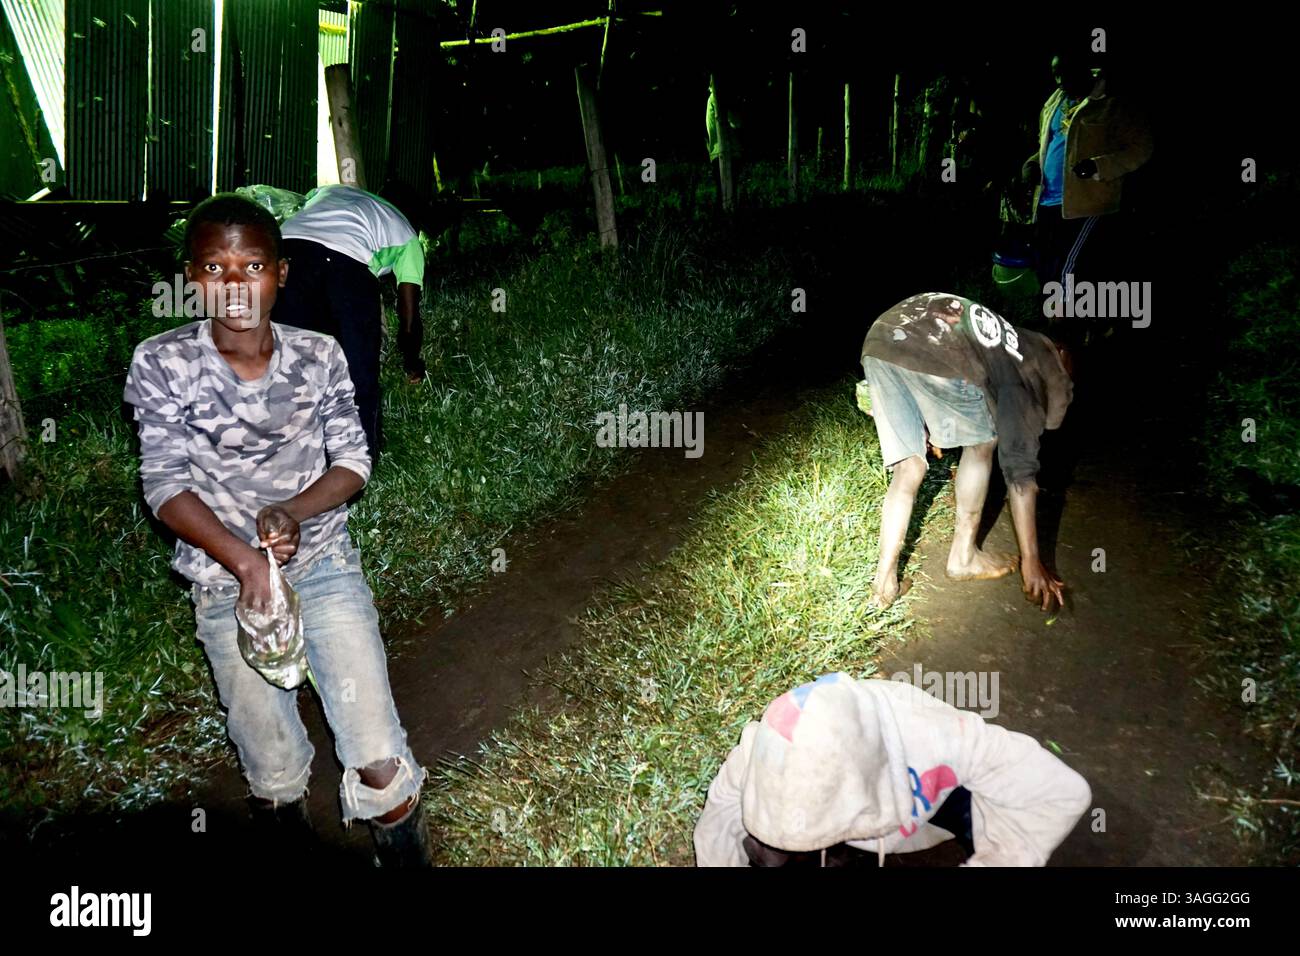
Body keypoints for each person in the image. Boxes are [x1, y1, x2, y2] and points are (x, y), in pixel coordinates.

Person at [122, 194, 434, 867]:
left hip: (321, 566)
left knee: (378, 751)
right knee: (271, 769)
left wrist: (292, 512)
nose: (236, 285)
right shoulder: (161, 362)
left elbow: (353, 461)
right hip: (220, 583)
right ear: (193, 277)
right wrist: (244, 562)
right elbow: (163, 484)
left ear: (282, 273)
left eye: (253, 265)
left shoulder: (319, 355)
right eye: (216, 267)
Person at [694, 671, 1091, 867]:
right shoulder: (765, 743)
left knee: (993, 804)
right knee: (764, 850)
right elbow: (717, 824)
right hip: (863, 822)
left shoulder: (939, 737)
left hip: (926, 801)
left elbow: (1060, 793)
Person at [860, 292, 1073, 611]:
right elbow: (1020, 476)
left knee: (909, 468)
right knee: (983, 443)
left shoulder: (1008, 341)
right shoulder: (1022, 376)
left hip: (881, 339)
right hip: (931, 346)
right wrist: (1031, 560)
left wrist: (930, 423)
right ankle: (963, 556)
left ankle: (883, 586)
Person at [274, 183, 430, 460]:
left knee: (284, 361)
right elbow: (408, 316)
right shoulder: (407, 236)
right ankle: (356, 462)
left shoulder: (332, 190)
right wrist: (412, 360)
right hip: (346, 264)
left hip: (283, 252)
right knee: (358, 372)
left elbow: (301, 206)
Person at [1021, 48, 1152, 311]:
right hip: (1047, 201)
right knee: (1045, 264)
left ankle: (1062, 327)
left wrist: (1098, 166)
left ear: (1085, 70)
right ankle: (1075, 323)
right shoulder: (1054, 102)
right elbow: (1049, 145)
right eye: (1055, 75)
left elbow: (1142, 148)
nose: (1059, 81)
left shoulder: (1112, 105)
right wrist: (1032, 164)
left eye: (1065, 74)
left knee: (1068, 267)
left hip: (1088, 202)